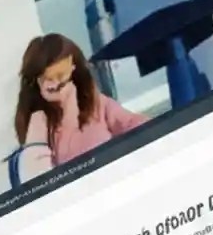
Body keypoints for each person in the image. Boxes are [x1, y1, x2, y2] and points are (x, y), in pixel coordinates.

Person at [14, 34, 150, 169]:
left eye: (61, 74)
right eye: (48, 78)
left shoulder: (95, 103)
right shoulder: (39, 121)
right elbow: (39, 173)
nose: (56, 83)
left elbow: (131, 122)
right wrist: (66, 104)